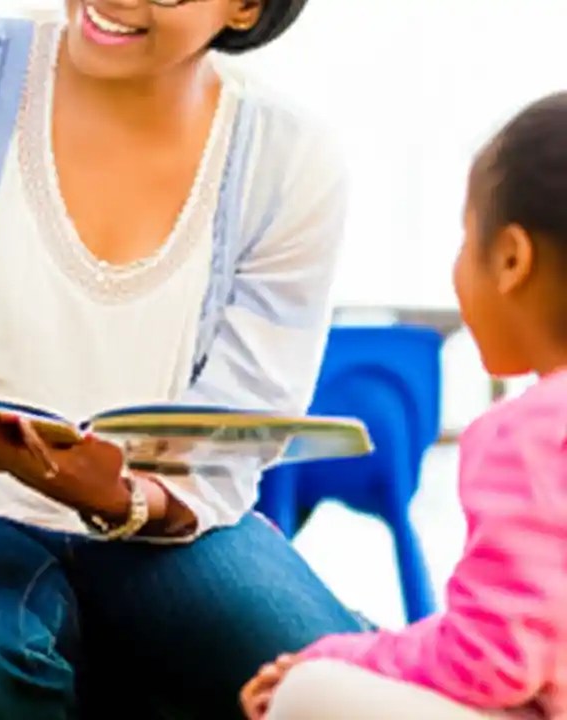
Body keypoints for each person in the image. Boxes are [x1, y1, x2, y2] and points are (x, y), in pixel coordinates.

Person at [0, 1, 367, 717]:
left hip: (164, 532)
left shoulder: (292, 160)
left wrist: (119, 498)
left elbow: (234, 442)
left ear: (247, 6)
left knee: (326, 688)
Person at [242, 92, 567, 720]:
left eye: (465, 236)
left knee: (308, 694)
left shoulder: (531, 432)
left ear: (510, 258)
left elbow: (491, 660)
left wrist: (340, 656)